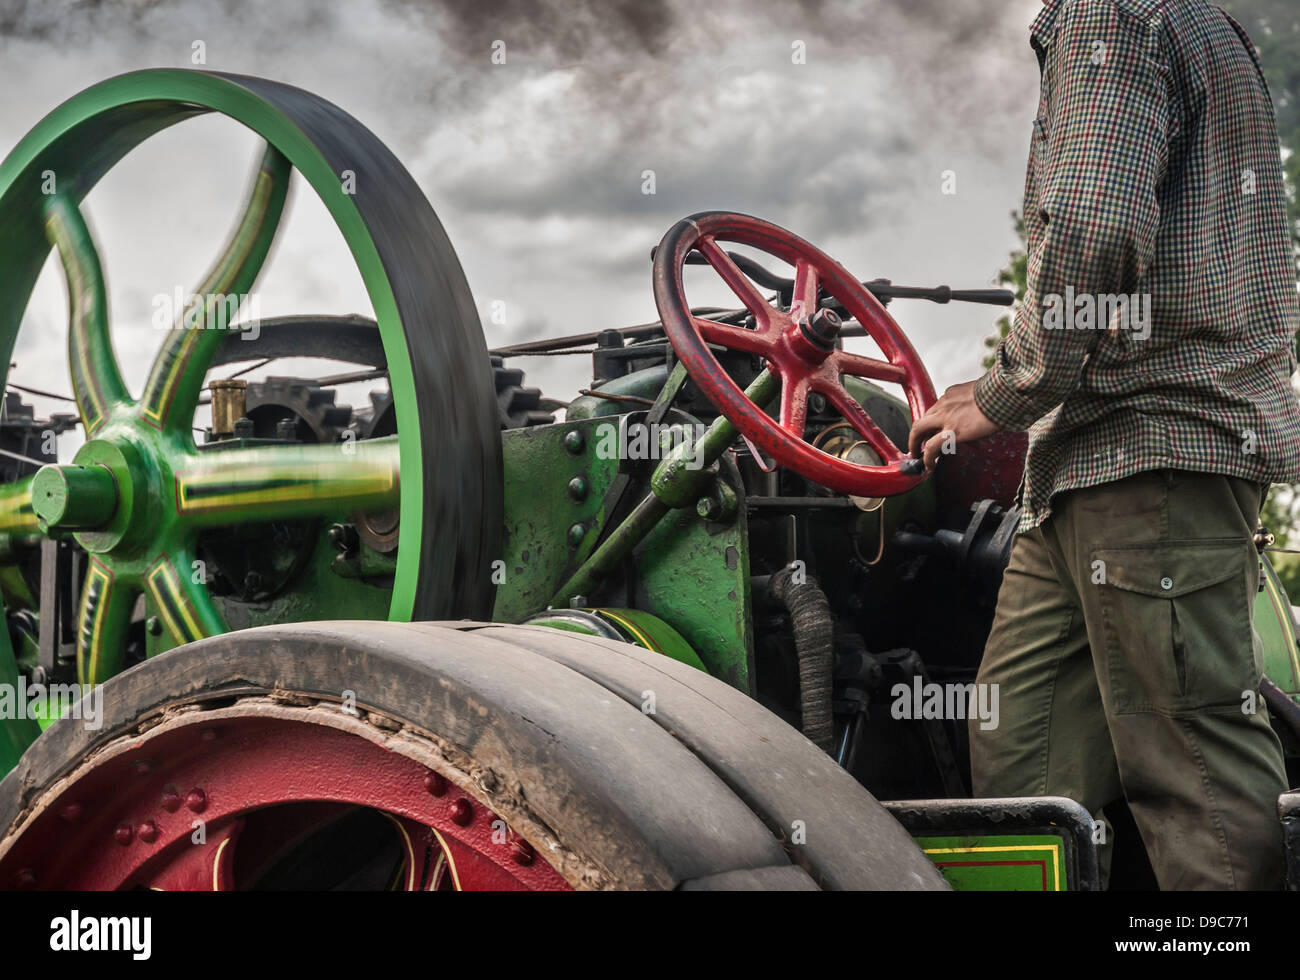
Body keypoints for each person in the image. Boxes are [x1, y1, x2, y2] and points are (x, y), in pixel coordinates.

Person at [908, 0, 1300, 889]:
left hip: (1152, 451)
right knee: (1021, 750)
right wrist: (1017, 393)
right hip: (1085, 462)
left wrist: (1007, 394)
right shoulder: (1195, 18)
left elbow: (1092, 228)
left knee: (1192, 766)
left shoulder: (1114, 9)